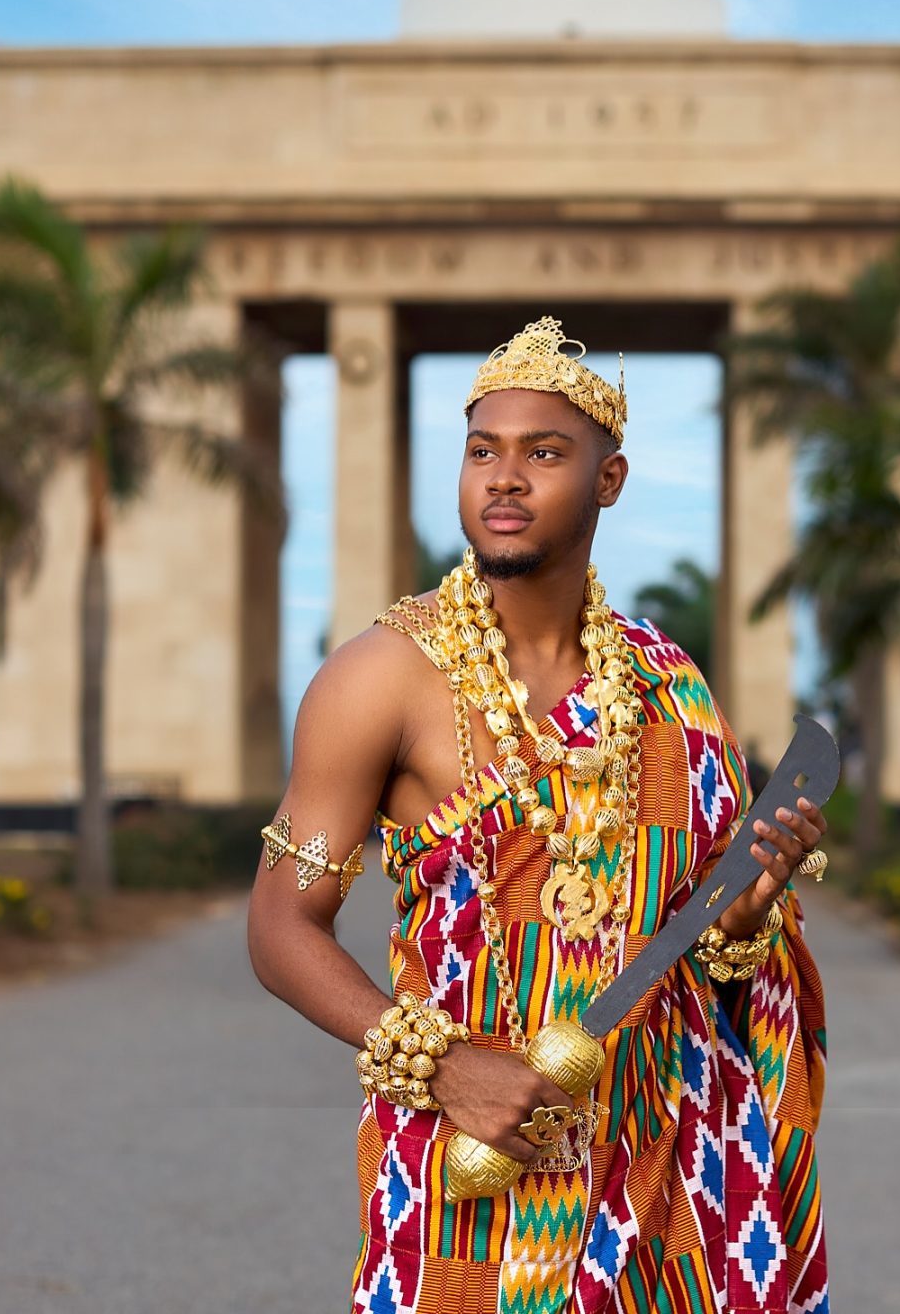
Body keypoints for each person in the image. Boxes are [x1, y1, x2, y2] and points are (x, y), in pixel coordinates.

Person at [247, 316, 831, 1314]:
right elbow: (279, 925)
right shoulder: (379, 679)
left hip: (677, 1162)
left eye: (543, 453)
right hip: (481, 1159)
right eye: (483, 452)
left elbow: (713, 940)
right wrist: (442, 1065)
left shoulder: (665, 681)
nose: (503, 479)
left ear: (608, 481)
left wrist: (740, 926)